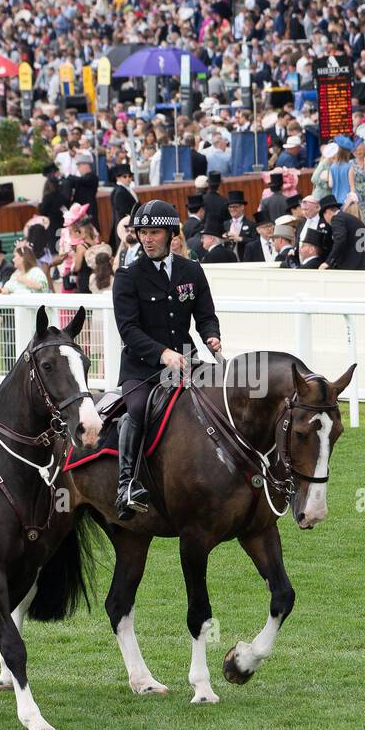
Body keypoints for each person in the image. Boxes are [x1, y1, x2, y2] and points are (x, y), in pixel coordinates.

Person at [111, 199, 221, 519]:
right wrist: (162, 354)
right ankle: (127, 483)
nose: (146, 238)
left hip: (188, 361)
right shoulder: (128, 276)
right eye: (142, 232)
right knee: (139, 409)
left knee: (223, 398)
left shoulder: (192, 270)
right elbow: (128, 330)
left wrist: (211, 334)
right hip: (142, 368)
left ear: (171, 234)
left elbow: (205, 316)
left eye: (154, 232)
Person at [312, 195, 365, 271]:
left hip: (362, 267)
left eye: (323, 216)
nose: (325, 220)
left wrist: (328, 262)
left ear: (327, 212)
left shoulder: (336, 219)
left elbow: (340, 240)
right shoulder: (348, 218)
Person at [109, 164, 138, 248]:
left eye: (130, 176)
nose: (128, 179)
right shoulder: (120, 192)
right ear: (118, 178)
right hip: (127, 226)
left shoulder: (124, 189)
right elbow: (122, 212)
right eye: (125, 176)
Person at [221, 190, 250, 260]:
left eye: (235, 207)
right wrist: (223, 239)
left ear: (242, 207)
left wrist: (240, 239)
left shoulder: (250, 224)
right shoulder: (225, 224)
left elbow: (256, 241)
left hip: (244, 259)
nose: (232, 209)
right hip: (229, 260)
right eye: (230, 207)